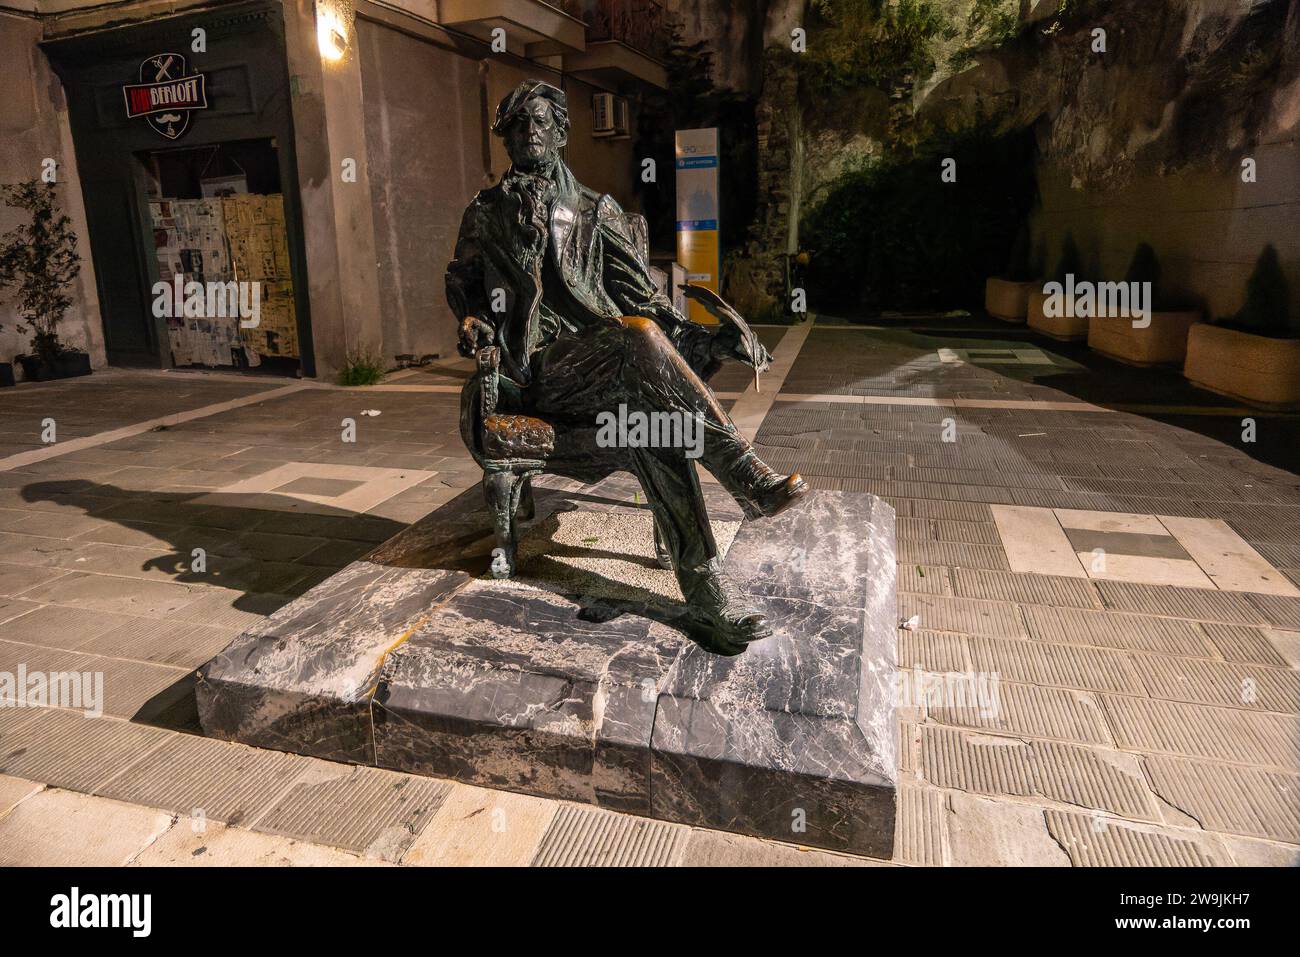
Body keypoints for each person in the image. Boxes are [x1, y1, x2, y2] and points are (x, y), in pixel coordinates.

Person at [446, 80, 807, 653]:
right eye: (515, 127)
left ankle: (707, 592)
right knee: (634, 340)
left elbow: (647, 305)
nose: (526, 135)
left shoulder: (596, 211)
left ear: (562, 133)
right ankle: (745, 477)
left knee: (659, 424)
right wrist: (471, 320)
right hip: (537, 373)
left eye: (538, 123)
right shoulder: (487, 212)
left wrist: (713, 345)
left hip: (604, 370)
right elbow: (460, 281)